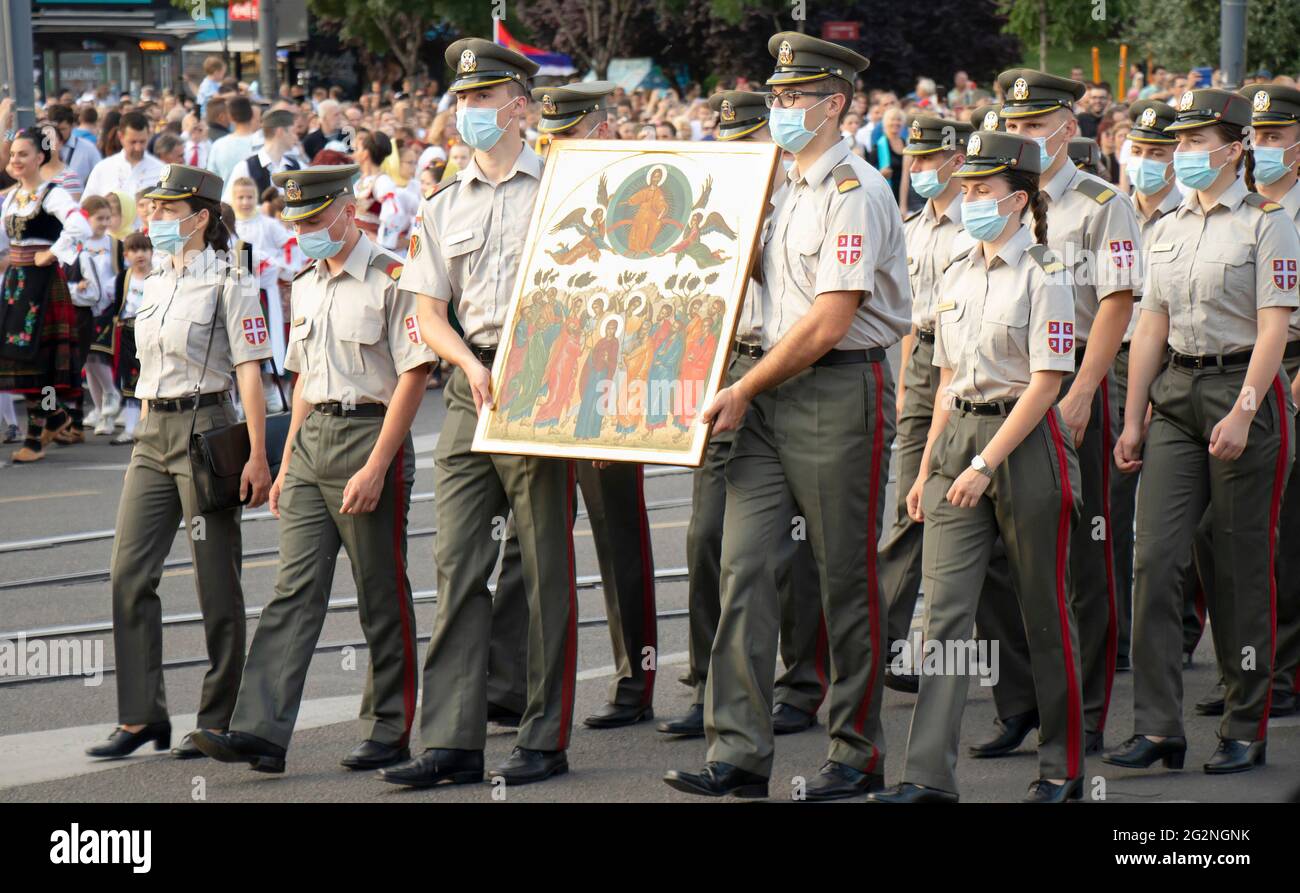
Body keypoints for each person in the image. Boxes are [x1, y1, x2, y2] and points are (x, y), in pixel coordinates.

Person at [664, 32, 907, 801]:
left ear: (834, 105)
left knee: (843, 578)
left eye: (792, 98)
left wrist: (744, 387)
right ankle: (738, 750)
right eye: (773, 98)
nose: (778, 110)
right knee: (743, 567)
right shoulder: (784, 191)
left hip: (837, 392)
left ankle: (856, 751)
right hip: (768, 395)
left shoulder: (854, 193)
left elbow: (831, 319)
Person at [379, 38, 579, 789]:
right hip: (470, 387)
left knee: (544, 566)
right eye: (462, 101)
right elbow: (427, 313)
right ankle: (453, 740)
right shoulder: (442, 202)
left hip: (540, 386)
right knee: (458, 564)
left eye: (483, 99)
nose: (469, 113)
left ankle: (543, 735)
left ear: (521, 107)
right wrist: (467, 363)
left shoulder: (562, 185)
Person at [191, 165, 434, 774]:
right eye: (296, 222)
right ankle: (260, 732)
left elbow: (413, 375)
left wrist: (379, 465)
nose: (304, 231)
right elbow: (301, 381)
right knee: (291, 591)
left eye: (316, 219)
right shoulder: (309, 281)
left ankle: (391, 725)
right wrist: (282, 458)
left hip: (368, 435)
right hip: (312, 443)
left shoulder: (391, 277)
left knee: (381, 591)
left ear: (348, 212)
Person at [870, 131, 1084, 803]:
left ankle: (1064, 766)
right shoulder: (957, 268)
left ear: (1017, 200)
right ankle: (928, 775)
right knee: (945, 619)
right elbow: (945, 378)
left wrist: (987, 462)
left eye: (982, 191)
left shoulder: (1046, 272)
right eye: (965, 189)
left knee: (1042, 608)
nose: (968, 200)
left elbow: (1047, 382)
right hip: (959, 437)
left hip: (1023, 444)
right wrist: (930, 464)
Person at [1104, 88, 1299, 775]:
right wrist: (1133, 418)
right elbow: (1150, 321)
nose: (1182, 154)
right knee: (1154, 561)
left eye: (1194, 142)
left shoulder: (1267, 222)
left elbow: (1276, 325)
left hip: (1241, 385)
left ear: (1234, 148)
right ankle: (1159, 726)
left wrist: (1246, 408)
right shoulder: (1167, 227)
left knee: (1242, 567)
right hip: (1177, 395)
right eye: (1178, 143)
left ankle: (1247, 721)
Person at [972, 69, 1141, 759]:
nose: (1020, 136)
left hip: (1071, 384)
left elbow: (1117, 301)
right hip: (999, 389)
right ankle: (1021, 701)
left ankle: (1088, 708)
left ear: (1068, 128)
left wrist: (1082, 389)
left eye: (1033, 125)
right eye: (1011, 126)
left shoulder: (1101, 204)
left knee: (1084, 551)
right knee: (992, 557)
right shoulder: (997, 198)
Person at [485, 81, 660, 732]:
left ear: (602, 133)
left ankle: (633, 678)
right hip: (541, 375)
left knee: (617, 535)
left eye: (572, 136)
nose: (557, 149)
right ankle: (509, 681)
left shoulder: (635, 204)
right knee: (524, 538)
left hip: (606, 384)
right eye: (550, 139)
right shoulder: (533, 193)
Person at [84, 164, 272, 760]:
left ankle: (218, 716)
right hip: (151, 430)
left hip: (205, 429)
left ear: (198, 216)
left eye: (166, 209)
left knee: (217, 579)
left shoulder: (230, 279)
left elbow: (249, 368)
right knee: (128, 573)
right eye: (154, 207)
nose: (154, 218)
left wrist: (259, 453)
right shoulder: (155, 279)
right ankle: (142, 716)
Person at [658, 88, 825, 739]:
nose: (739, 157)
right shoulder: (711, 206)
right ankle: (709, 682)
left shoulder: (799, 202)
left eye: (749, 143)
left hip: (791, 369)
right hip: (724, 373)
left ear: (775, 143)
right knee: (705, 536)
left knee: (794, 547)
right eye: (728, 147)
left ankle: (803, 681)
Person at [876, 114, 974, 694]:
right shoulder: (912, 228)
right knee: (908, 503)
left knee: (973, 515)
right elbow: (913, 320)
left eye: (929, 159)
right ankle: (886, 650)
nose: (917, 169)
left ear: (956, 161)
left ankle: (978, 655)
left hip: (977, 364)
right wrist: (910, 386)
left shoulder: (979, 225)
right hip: (924, 360)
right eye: (913, 160)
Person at [1242, 82, 1300, 718]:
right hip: (1246, 366)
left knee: (1288, 534)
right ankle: (1251, 671)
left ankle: (1283, 675)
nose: (1261, 147)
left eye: (1275, 137)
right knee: (1238, 531)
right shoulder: (1247, 211)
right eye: (1255, 136)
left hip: (1295, 369)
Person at [0, 128, 93, 462]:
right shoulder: (11, 197)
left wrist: (53, 253)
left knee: (41, 360)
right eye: (13, 155)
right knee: (17, 356)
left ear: (40, 157)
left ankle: (36, 435)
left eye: (23, 154)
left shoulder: (52, 194)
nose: (16, 160)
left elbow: (81, 226)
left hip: (42, 285)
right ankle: (54, 417)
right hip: (16, 284)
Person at [66, 194, 121, 440]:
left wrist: (107, 294)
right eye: (100, 218)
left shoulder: (114, 244)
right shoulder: (78, 244)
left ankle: (111, 395)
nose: (105, 223)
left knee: (98, 356)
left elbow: (119, 275)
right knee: (87, 360)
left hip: (105, 307)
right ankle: (101, 412)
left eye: (108, 218)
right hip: (83, 306)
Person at [110, 232, 153, 444]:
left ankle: (150, 428)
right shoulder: (123, 278)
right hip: (129, 332)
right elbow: (116, 302)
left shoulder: (158, 277)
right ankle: (130, 427)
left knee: (151, 379)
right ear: (126, 254)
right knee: (129, 381)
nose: (140, 254)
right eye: (135, 250)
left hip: (152, 332)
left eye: (144, 249)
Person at [222, 110, 302, 203]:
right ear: (280, 131)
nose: (296, 137)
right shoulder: (246, 167)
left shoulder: (295, 166)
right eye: (293, 132)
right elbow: (228, 205)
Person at [82, 112, 164, 200]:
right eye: (133, 142)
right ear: (120, 137)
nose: (138, 148)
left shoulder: (161, 170)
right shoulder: (103, 168)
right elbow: (87, 206)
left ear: (149, 135)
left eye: (142, 142)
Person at [207, 96, 260, 183]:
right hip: (256, 196)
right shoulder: (263, 143)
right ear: (251, 115)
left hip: (225, 196)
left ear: (230, 117)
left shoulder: (218, 145)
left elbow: (211, 180)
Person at [48, 103, 102, 189]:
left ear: (72, 126)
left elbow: (100, 176)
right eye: (54, 129)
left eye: (62, 129)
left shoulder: (88, 149)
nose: (58, 134)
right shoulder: (43, 149)